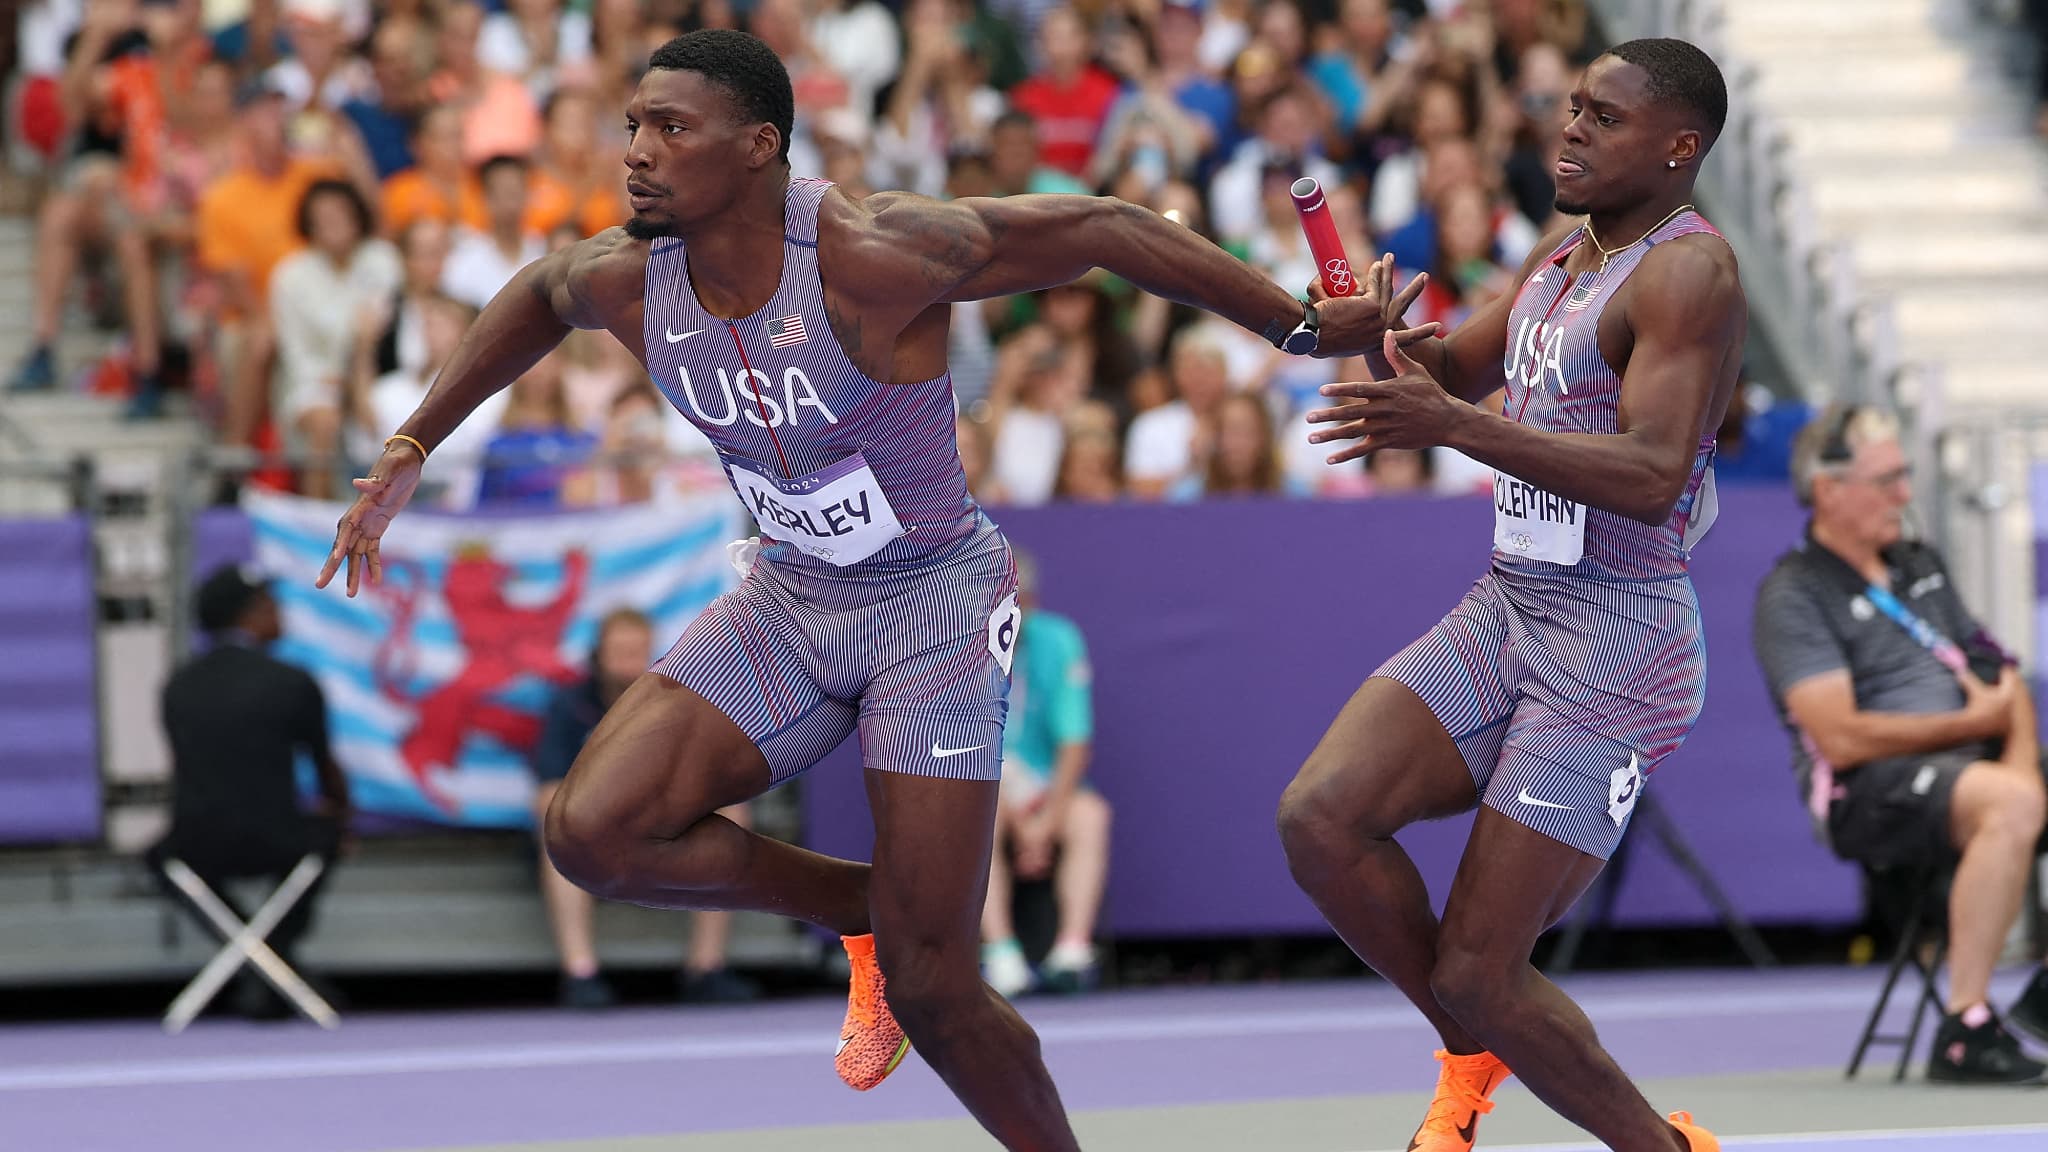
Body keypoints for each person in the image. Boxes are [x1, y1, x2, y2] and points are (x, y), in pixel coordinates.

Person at [316, 28, 1398, 1150]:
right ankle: (855, 911)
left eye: (669, 128)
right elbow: (538, 296)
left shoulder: (875, 254)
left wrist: (1298, 325)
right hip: (786, 599)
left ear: (756, 148)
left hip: (929, 604)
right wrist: (410, 442)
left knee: (937, 990)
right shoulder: (627, 275)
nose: (634, 151)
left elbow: (1103, 228)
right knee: (594, 833)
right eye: (633, 123)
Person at [1278, 39, 1743, 1152]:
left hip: (1615, 646)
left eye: (1603, 117)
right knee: (1320, 820)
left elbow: (1650, 476)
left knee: (1485, 970)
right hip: (1510, 606)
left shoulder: (1688, 272)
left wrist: (1457, 425)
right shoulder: (1564, 254)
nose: (1569, 129)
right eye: (1570, 106)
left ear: (1678, 147)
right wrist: (1372, 338)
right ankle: (1473, 1038)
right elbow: (1445, 379)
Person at [1752, 405, 2048, 1084]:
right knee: (2006, 802)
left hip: (1974, 768)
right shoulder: (1794, 593)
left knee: (2013, 793)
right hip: (1870, 790)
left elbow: (1998, 672)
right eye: (1887, 480)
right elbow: (1842, 736)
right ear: (1829, 489)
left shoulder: (1919, 564)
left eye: (1905, 477)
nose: (1905, 496)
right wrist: (1977, 729)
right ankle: (1965, 1028)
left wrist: (2024, 761)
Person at [532, 607, 763, 1009]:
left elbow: (707, 778)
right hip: (591, 837)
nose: (627, 663)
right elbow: (547, 794)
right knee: (555, 836)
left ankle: (705, 968)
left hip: (660, 830)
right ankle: (580, 973)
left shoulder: (675, 701)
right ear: (597, 653)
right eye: (619, 651)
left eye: (636, 652)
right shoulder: (570, 706)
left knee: (732, 816)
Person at [148, 565, 352, 1019]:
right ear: (253, 614)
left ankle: (258, 964)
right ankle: (276, 962)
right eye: (273, 606)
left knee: (159, 858)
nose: (280, 615)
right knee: (325, 838)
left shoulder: (179, 686)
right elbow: (325, 771)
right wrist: (340, 817)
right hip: (277, 839)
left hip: (196, 844)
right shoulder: (290, 681)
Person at [979, 550, 1112, 998]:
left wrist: (1048, 821)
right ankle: (1001, 954)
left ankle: (1072, 952)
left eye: (1020, 600)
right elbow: (966, 744)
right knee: (979, 816)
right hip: (984, 785)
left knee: (1090, 816)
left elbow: (1074, 743)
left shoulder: (1059, 639)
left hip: (1047, 788)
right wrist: (1018, 815)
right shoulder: (955, 643)